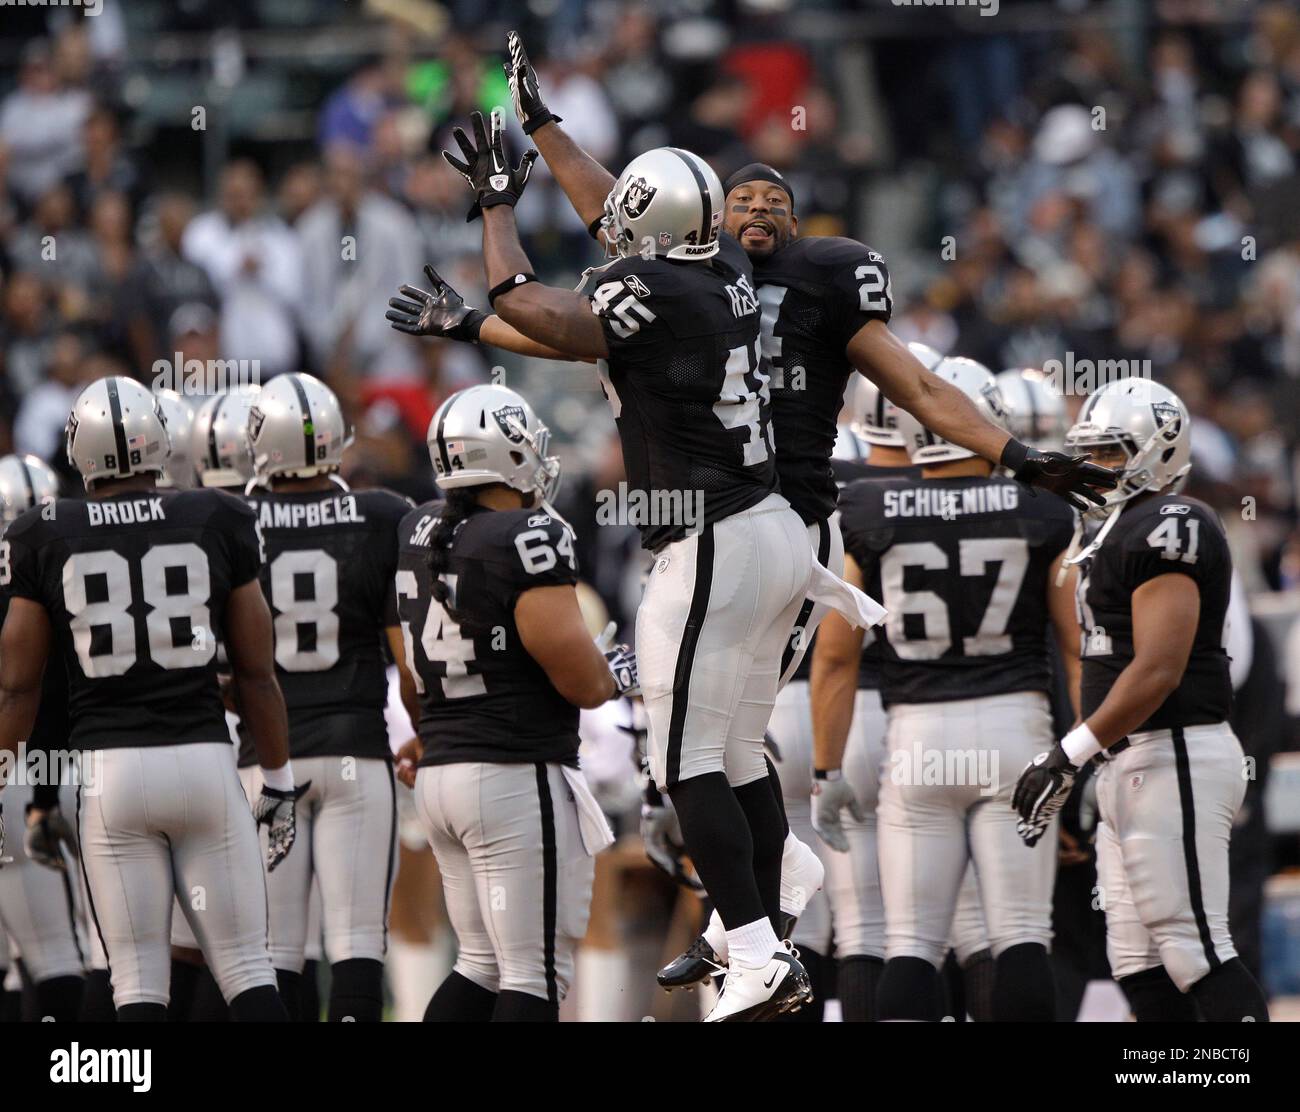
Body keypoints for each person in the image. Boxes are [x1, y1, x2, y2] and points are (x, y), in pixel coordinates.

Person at [0, 377, 302, 1021]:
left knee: (137, 982)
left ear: (78, 452)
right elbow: (256, 673)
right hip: (202, 761)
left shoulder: (43, 532)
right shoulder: (215, 516)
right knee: (248, 968)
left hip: (109, 778)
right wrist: (278, 780)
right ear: (161, 442)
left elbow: (21, 685)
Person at [817, 358, 1080, 1021]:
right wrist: (1087, 753)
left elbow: (837, 657)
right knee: (1020, 931)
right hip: (1016, 731)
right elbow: (1076, 646)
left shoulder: (869, 507)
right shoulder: (1041, 507)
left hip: (918, 738)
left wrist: (827, 769)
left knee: (909, 942)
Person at [1013, 379, 1271, 1022]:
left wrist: (1068, 753)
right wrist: (1086, 759)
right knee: (1137, 962)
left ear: (1154, 453)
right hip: (1129, 762)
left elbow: (1157, 669)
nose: (1090, 470)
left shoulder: (1170, 522)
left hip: (1177, 750)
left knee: (1194, 950)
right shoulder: (1107, 531)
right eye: (1086, 454)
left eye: (1107, 454)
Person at [389, 384, 629, 1021]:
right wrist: (616, 674)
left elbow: (413, 674)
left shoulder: (416, 527)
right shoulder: (531, 533)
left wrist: (432, 734)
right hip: (512, 775)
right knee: (534, 972)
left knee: (480, 963)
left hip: (441, 773)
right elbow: (584, 684)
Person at [241, 373, 413, 1021]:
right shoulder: (382, 514)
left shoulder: (232, 519)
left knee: (276, 951)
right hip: (357, 754)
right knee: (358, 944)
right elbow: (407, 656)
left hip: (266, 759)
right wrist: (422, 731)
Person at [0, 454, 86, 1023]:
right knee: (79, 951)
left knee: (22, 955)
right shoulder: (78, 560)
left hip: (15, 768)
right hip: (73, 763)